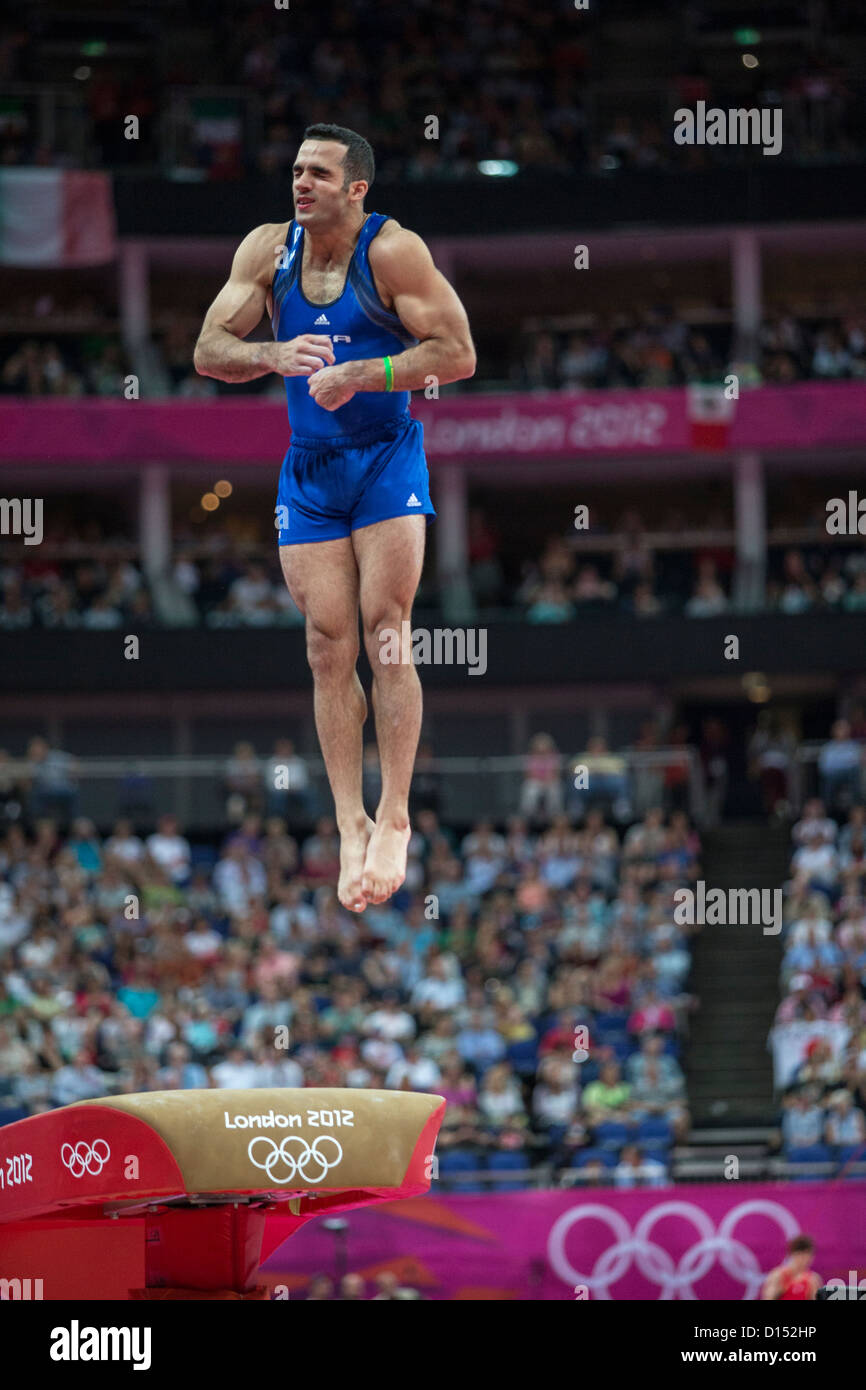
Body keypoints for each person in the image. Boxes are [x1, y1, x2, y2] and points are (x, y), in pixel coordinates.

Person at [195, 123, 475, 913]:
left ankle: (395, 816)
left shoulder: (393, 252)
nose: (301, 183)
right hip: (310, 469)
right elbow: (209, 346)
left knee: (386, 627)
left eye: (319, 172)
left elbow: (456, 353)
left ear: (358, 188)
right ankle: (350, 820)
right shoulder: (265, 250)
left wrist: (368, 371)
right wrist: (267, 356)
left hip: (386, 456)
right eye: (296, 170)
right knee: (326, 647)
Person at [761, 1234, 821, 1300]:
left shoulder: (813, 1280)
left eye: (808, 1256)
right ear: (793, 1254)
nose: (805, 1260)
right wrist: (779, 1291)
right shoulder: (778, 1275)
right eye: (802, 1256)